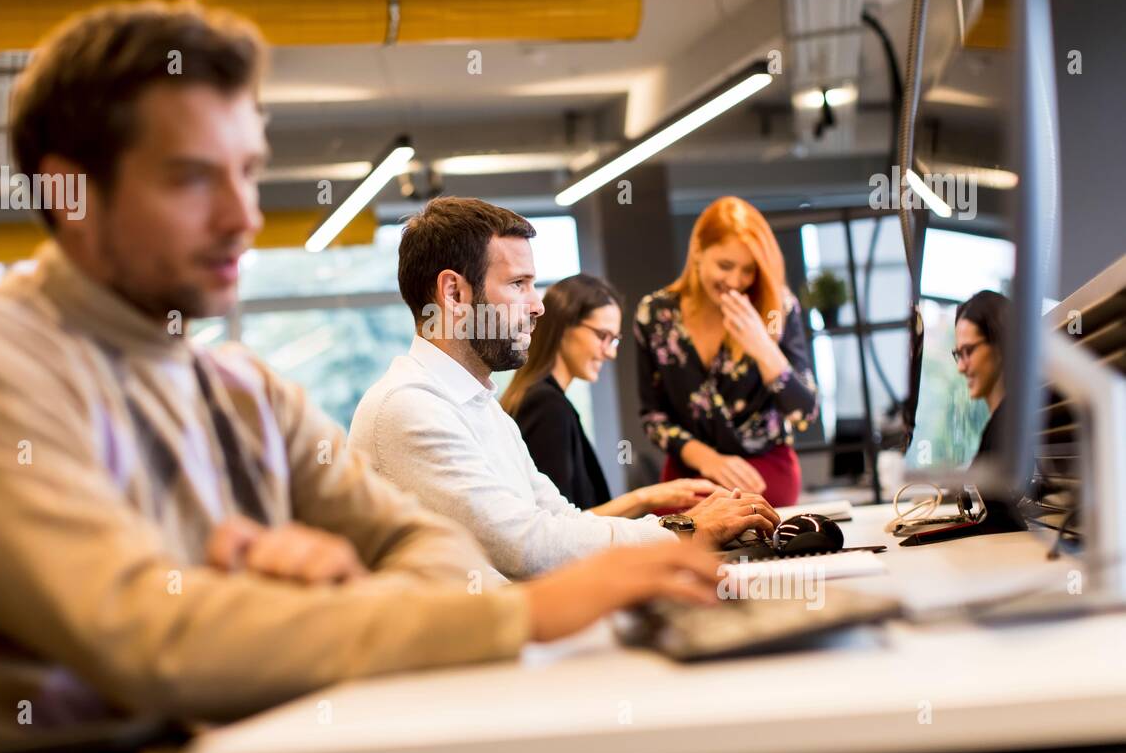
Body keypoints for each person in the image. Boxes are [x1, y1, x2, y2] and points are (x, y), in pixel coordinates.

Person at [0, 2, 732, 753]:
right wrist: (517, 619)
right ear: (72, 192)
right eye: (192, 179)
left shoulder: (241, 390)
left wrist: (331, 601)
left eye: (249, 172)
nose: (244, 216)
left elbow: (434, 550)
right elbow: (146, 637)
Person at [348, 197, 778, 581]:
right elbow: (525, 547)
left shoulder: (482, 407)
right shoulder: (407, 407)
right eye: (519, 284)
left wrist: (683, 526)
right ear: (454, 292)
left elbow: (560, 519)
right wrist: (684, 531)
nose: (538, 306)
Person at [634, 196, 819, 507]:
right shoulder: (655, 314)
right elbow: (652, 416)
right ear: (698, 253)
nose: (736, 282)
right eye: (725, 265)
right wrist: (709, 460)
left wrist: (762, 346)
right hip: (690, 476)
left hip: (763, 475)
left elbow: (805, 415)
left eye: (748, 270)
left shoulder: (778, 307)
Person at [502, 274, 714, 516]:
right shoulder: (546, 405)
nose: (610, 353)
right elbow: (560, 525)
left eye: (614, 340)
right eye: (603, 336)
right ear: (564, 325)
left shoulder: (547, 401)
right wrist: (648, 497)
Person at [953, 289, 1010, 468]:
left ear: (999, 344)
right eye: (958, 354)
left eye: (968, 351)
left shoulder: (1005, 433)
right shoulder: (997, 429)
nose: (961, 367)